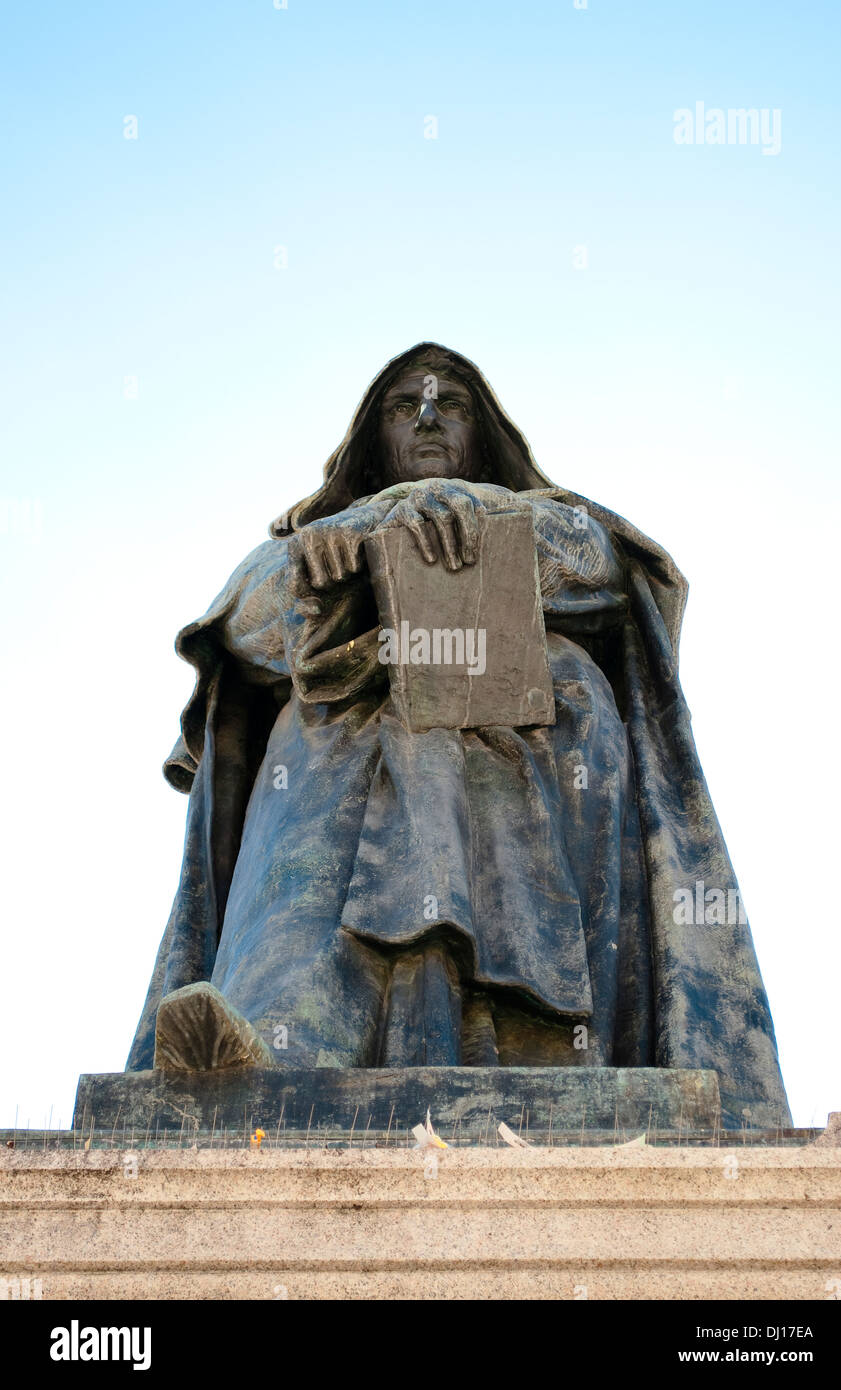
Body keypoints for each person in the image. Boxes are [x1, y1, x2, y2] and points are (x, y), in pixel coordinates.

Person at [127, 343, 791, 1129]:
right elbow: (235, 630)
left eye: (452, 404)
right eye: (405, 405)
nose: (430, 417)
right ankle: (279, 1049)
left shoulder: (557, 515)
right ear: (376, 438)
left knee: (483, 786)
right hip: (346, 738)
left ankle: (558, 1055)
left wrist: (485, 517)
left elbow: (624, 573)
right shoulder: (308, 537)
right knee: (323, 815)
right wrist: (346, 548)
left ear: (485, 431)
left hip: (535, 733)